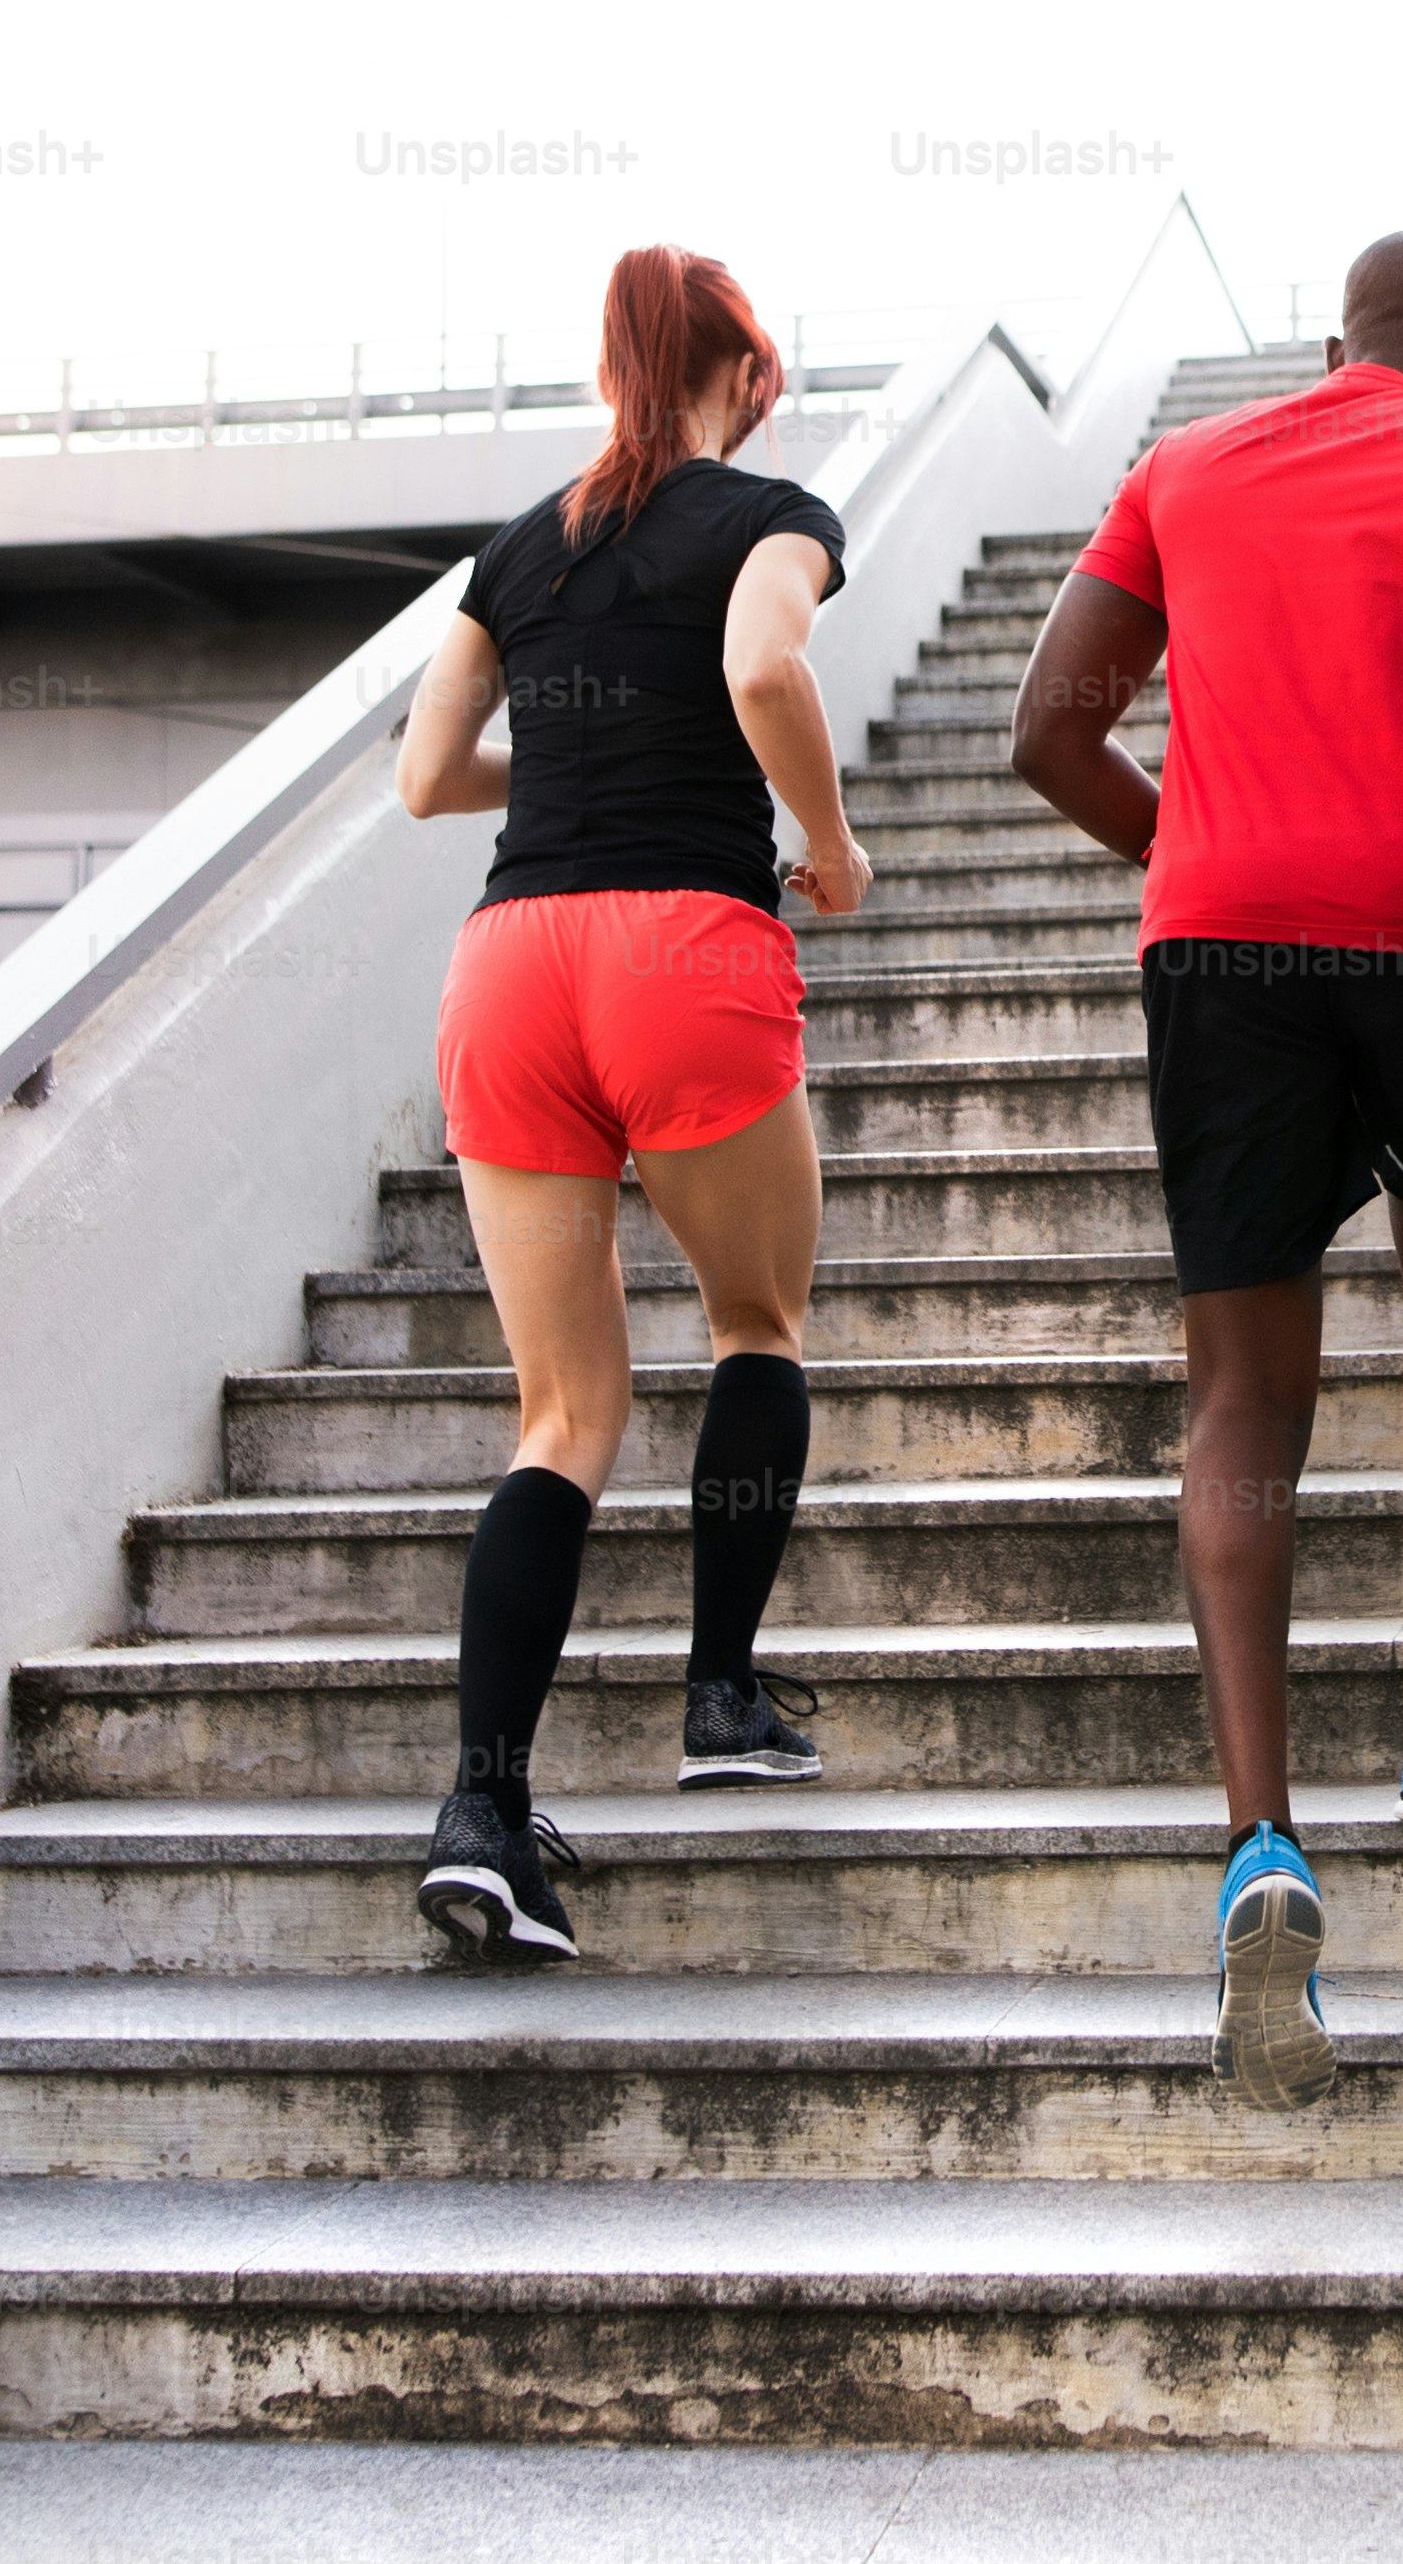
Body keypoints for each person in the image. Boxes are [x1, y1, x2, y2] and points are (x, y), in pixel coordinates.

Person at [1008, 231, 1403, 2110]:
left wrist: (1191, 848)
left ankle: (1263, 1841)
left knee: (1244, 1394)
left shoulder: (1190, 466)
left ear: (1330, 343)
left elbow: (1050, 724)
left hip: (1226, 962)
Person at [396, 246, 874, 1965]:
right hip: (685, 943)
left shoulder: (517, 546)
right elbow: (762, 673)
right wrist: (824, 843)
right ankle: (723, 1697)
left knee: (563, 1410)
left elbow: (426, 775)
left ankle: (482, 1811)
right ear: (741, 367)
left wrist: (585, 756)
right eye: (775, 368)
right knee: (758, 1322)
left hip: (511, 963)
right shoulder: (775, 512)